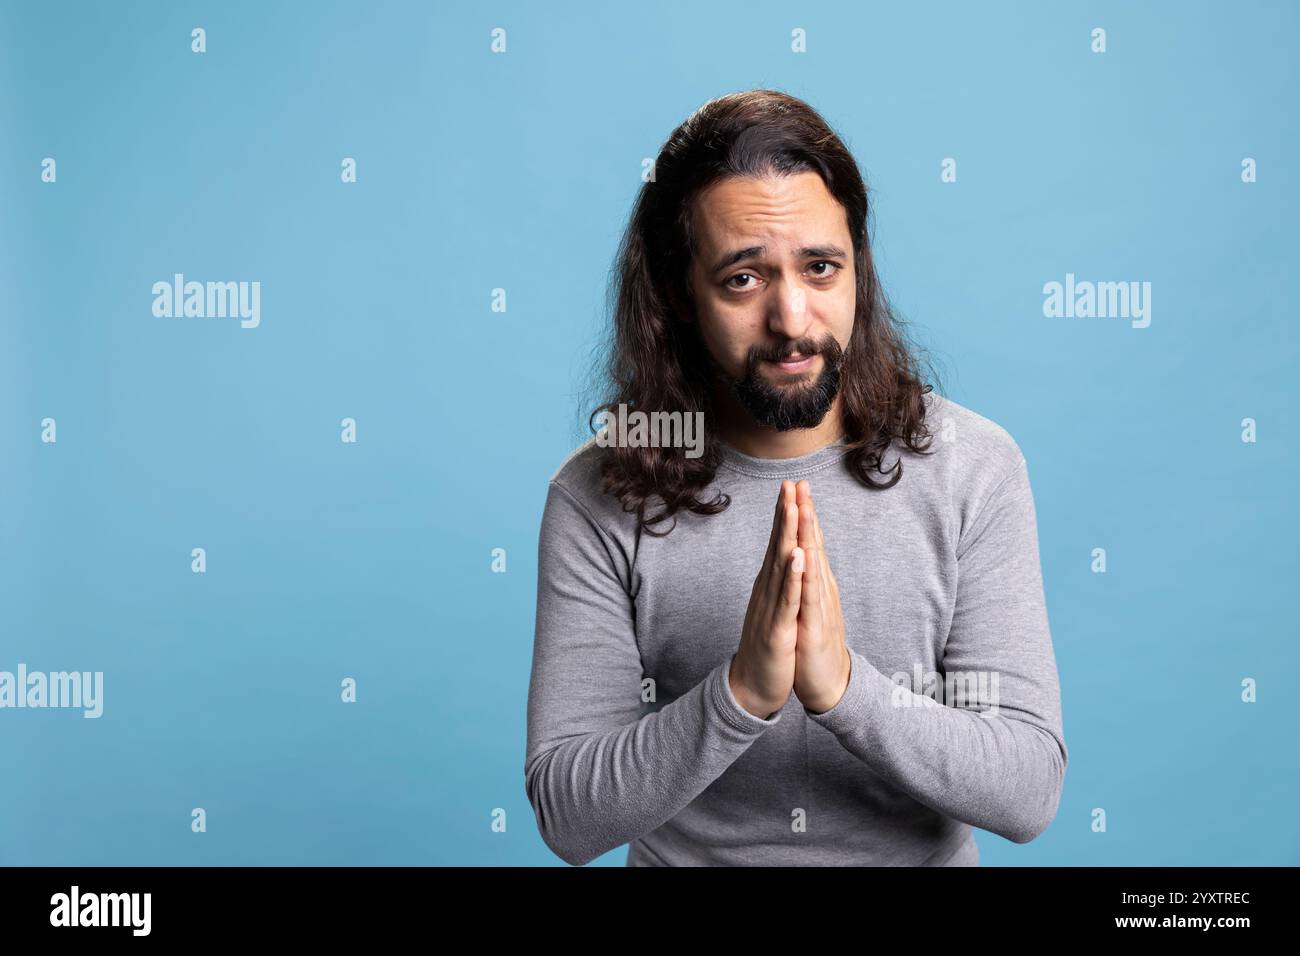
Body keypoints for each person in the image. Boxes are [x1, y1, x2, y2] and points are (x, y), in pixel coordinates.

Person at [524, 89, 1067, 866]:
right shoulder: (596, 495)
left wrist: (845, 689)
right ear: (679, 294)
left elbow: (1027, 790)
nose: (791, 319)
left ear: (858, 269)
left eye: (820, 268)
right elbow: (569, 819)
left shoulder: (973, 467)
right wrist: (741, 692)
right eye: (744, 279)